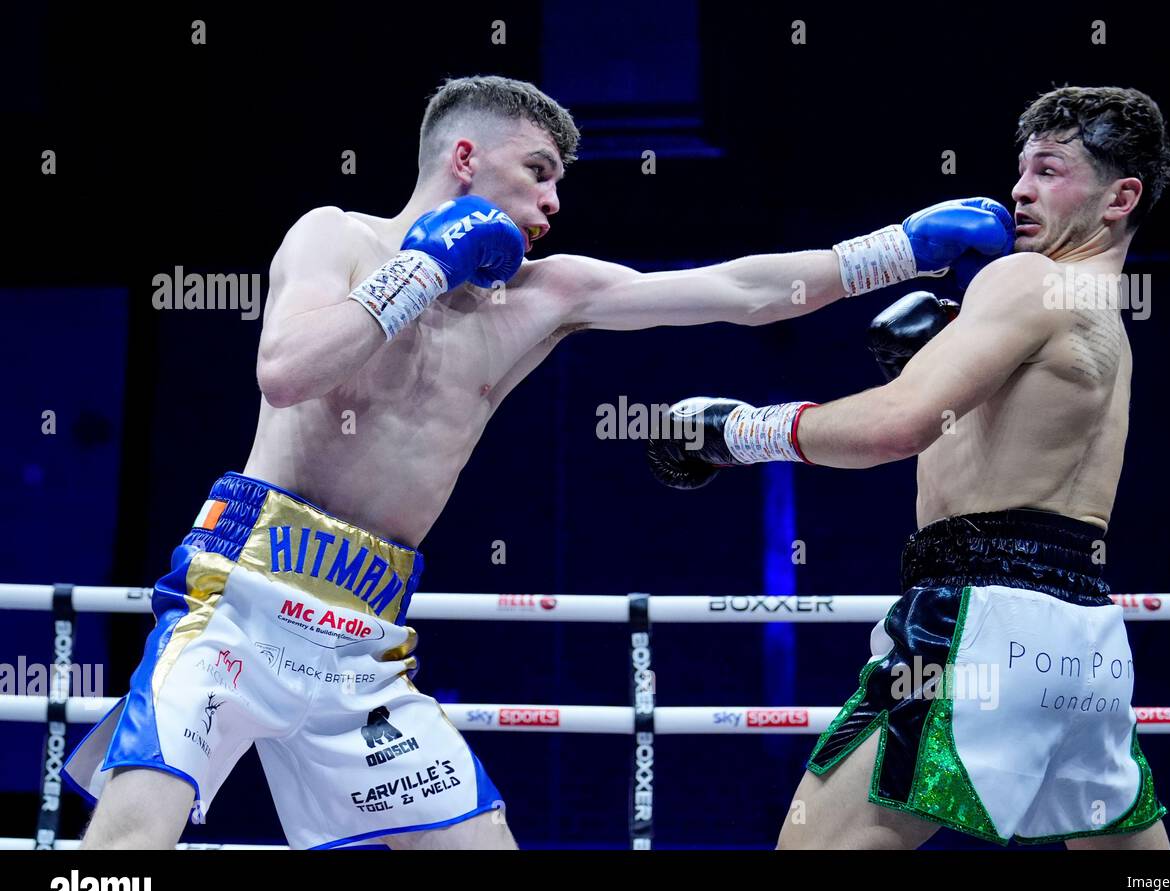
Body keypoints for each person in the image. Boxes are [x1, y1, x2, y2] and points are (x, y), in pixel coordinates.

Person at [64, 74, 1011, 849]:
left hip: (365, 642)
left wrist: (897, 250)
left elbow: (741, 290)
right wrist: (421, 271)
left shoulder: (546, 294)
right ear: (464, 159)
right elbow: (284, 374)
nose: (555, 201)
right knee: (124, 852)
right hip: (242, 599)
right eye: (539, 171)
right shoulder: (339, 237)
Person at [647, 86, 1170, 849]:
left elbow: (895, 427)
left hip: (981, 619)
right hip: (1084, 641)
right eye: (1021, 169)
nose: (1021, 189)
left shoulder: (1023, 281)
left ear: (1122, 196)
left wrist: (738, 431)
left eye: (1051, 171)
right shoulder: (1104, 314)